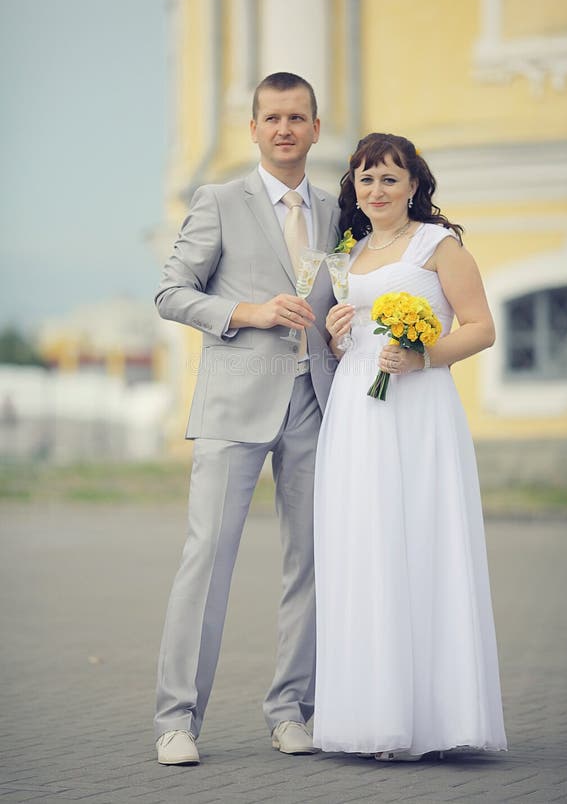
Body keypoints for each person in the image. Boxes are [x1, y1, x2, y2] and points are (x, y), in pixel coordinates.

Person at [154, 72, 339, 765]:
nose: (285, 128)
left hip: (316, 404)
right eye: (272, 117)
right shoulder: (219, 200)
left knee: (313, 563)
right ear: (255, 129)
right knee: (206, 563)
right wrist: (247, 312)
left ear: (316, 128)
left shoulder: (336, 211)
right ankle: (177, 721)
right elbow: (172, 292)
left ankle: (292, 710)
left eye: (298, 117)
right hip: (235, 404)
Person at [313, 133, 507, 760]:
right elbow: (349, 342)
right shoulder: (351, 252)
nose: (377, 190)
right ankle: (372, 715)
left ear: (415, 185)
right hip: (357, 410)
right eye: (366, 180)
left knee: (420, 539)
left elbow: (480, 328)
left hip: (418, 409)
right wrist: (340, 337)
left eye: (389, 179)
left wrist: (424, 355)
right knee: (364, 545)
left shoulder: (438, 246)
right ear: (355, 188)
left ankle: (434, 719)